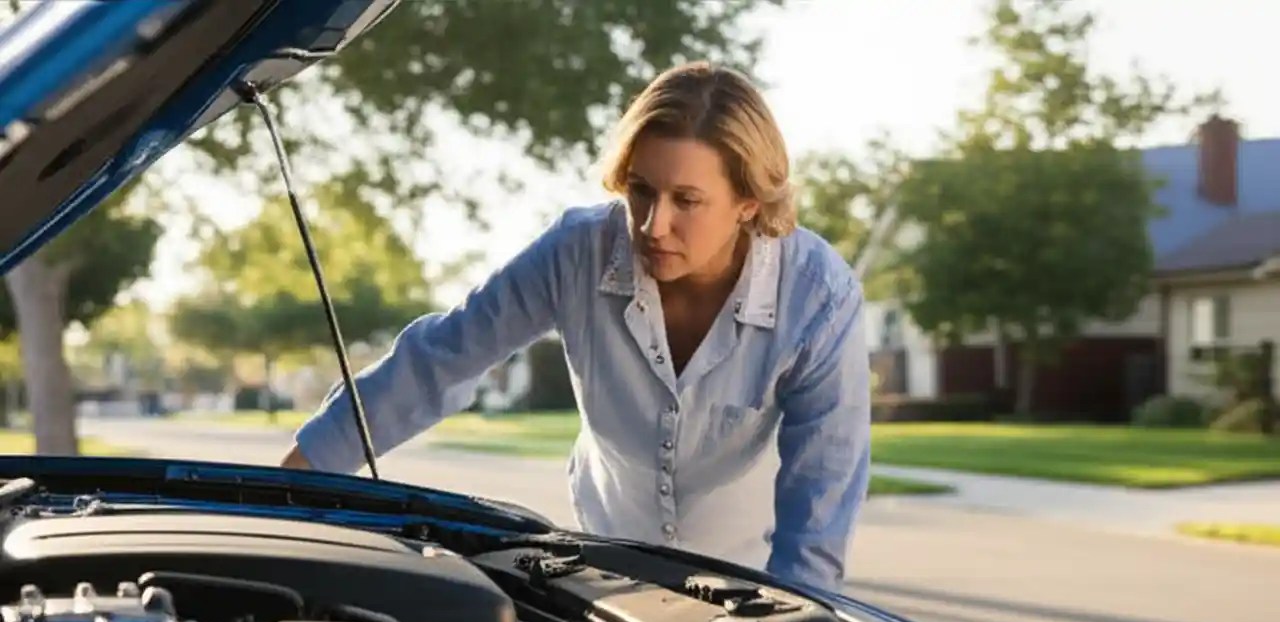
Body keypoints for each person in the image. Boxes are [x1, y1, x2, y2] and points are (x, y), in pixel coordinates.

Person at [281, 61, 871, 593]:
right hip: (603, 568)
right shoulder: (577, 253)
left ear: (747, 201)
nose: (652, 225)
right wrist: (296, 482)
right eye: (640, 191)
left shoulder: (818, 297)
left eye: (686, 200)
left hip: (750, 578)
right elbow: (441, 358)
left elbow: (822, 491)